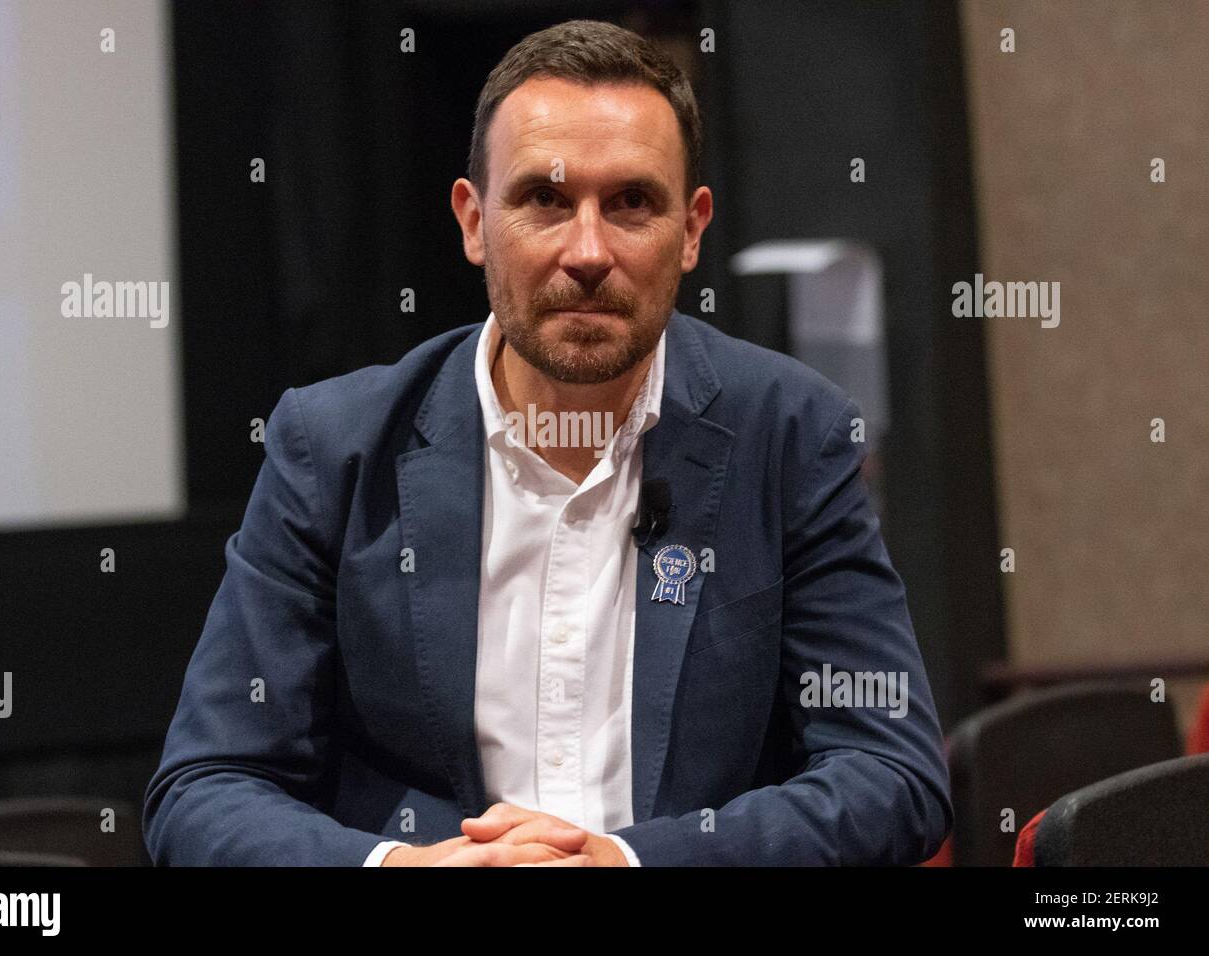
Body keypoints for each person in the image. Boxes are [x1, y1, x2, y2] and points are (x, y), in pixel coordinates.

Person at [143, 18, 951, 867]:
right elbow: (206, 788)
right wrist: (400, 870)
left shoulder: (791, 436)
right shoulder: (332, 448)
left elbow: (890, 773)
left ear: (691, 230)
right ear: (473, 221)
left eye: (632, 202)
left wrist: (632, 864)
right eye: (546, 200)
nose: (589, 250)